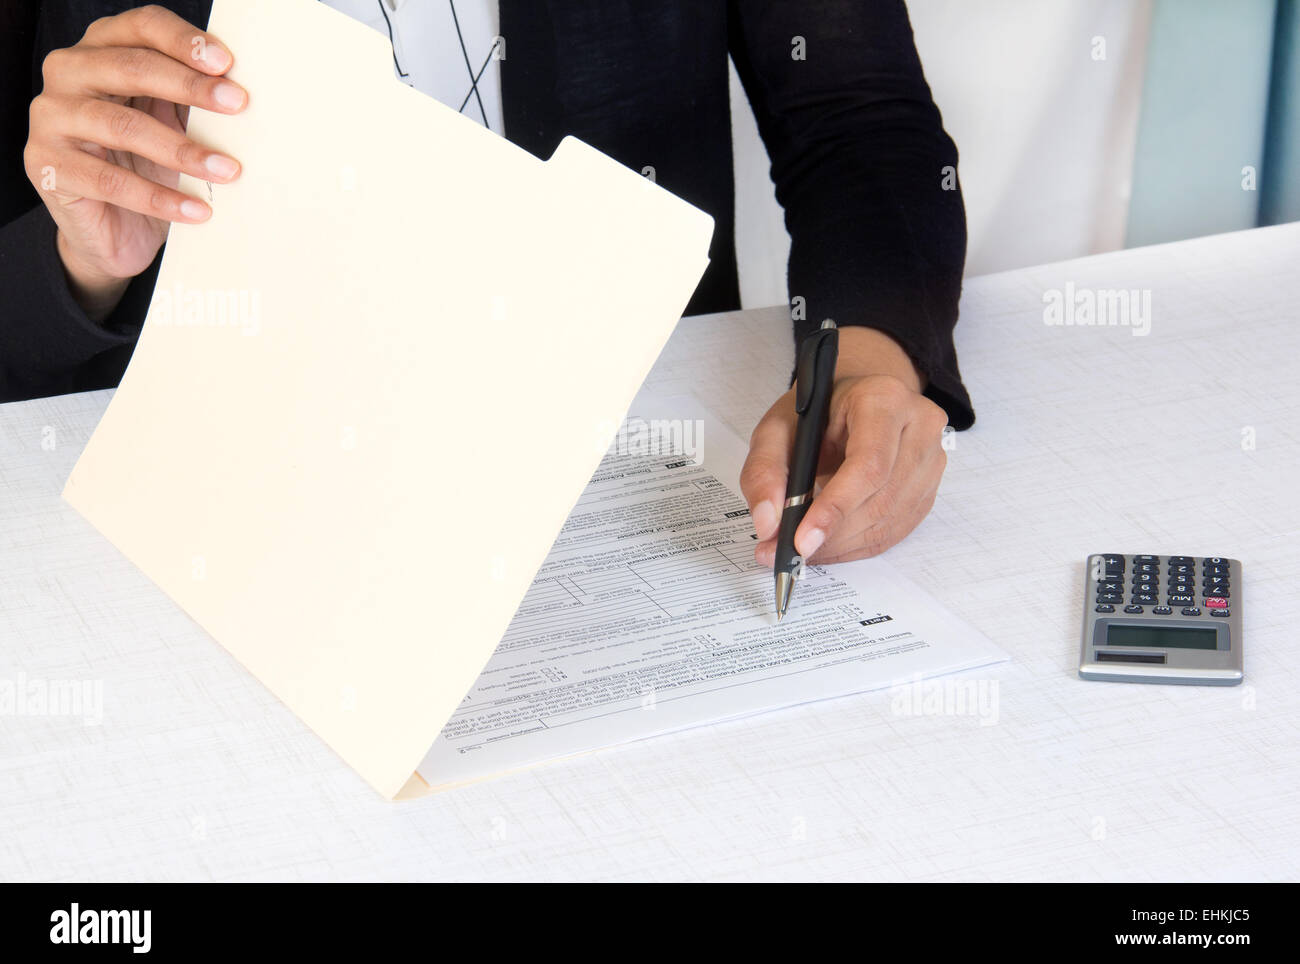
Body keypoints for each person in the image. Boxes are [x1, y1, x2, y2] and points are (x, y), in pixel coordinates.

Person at [1, 1, 973, 568]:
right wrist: (78, 262)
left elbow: (855, 119)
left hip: (630, 489)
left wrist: (868, 363)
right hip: (219, 521)